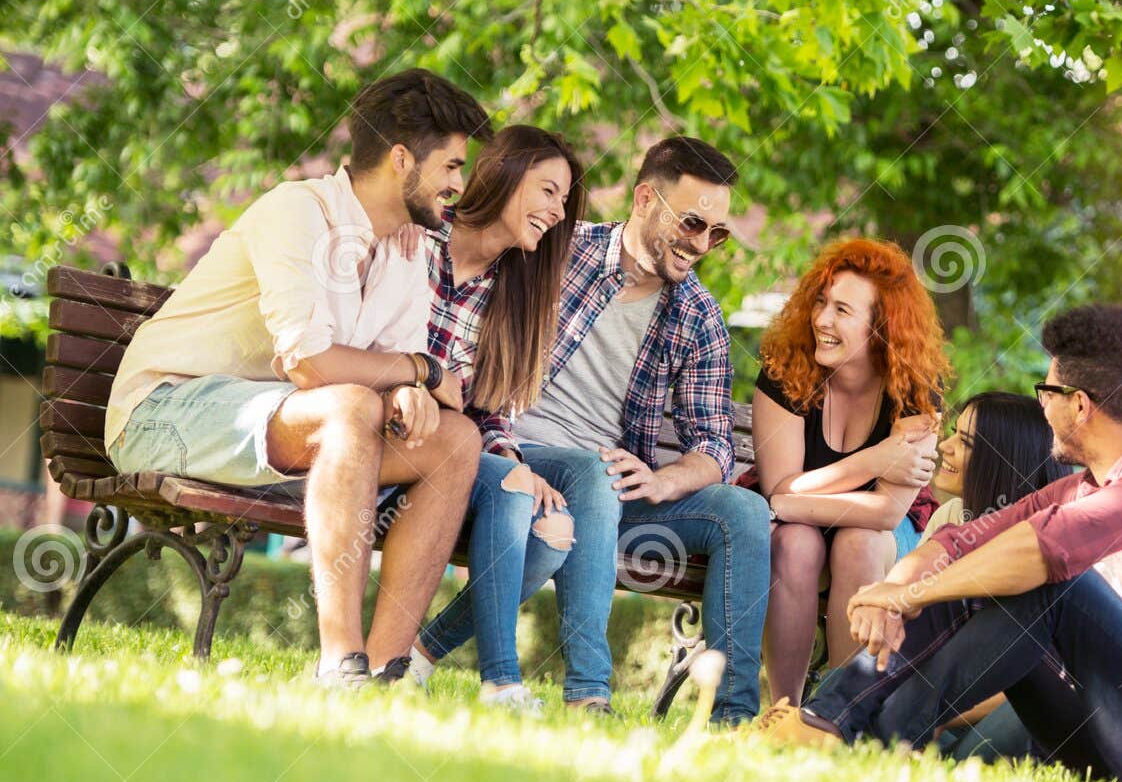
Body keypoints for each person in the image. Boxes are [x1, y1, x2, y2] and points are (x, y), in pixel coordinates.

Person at [749, 303, 1122, 782]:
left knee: (1051, 585)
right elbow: (967, 536)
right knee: (1005, 583)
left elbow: (1045, 549)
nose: (1042, 408)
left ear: (1080, 405)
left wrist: (911, 592)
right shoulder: (1091, 483)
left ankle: (841, 724)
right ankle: (845, 729)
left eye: (1047, 394)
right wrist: (899, 588)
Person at [106, 68, 491, 688]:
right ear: (401, 159)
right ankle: (340, 661)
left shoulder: (408, 250)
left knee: (455, 442)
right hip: (164, 412)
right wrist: (419, 372)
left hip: (285, 429)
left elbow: (390, 375)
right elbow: (310, 364)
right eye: (450, 166)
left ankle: (384, 670)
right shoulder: (296, 211)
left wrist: (410, 392)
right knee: (345, 408)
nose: (457, 184)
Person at [508, 136, 771, 723]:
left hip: (610, 492)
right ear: (646, 198)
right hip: (514, 460)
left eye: (717, 233)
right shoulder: (558, 251)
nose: (702, 244)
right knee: (593, 477)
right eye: (693, 222)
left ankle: (730, 718)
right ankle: (588, 695)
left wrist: (665, 479)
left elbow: (713, 446)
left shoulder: (698, 314)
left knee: (745, 513)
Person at [403, 126, 586, 712]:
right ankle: (502, 682)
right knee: (511, 492)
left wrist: (507, 457)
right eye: (549, 191)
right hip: (379, 432)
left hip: (453, 452)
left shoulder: (518, 292)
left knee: (555, 528)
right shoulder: (419, 240)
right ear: (505, 175)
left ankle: (420, 657)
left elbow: (493, 411)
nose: (558, 212)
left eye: (564, 202)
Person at [754, 238, 950, 706]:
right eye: (821, 302)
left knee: (858, 541)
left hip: (883, 537)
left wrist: (787, 501)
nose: (822, 319)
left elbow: (884, 513)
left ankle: (840, 716)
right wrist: (878, 460)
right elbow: (777, 491)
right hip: (797, 526)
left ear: (881, 326)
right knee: (794, 541)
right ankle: (785, 712)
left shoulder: (917, 391)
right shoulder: (787, 370)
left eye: (843, 310)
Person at [922, 391, 1070, 763]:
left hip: (1009, 710)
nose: (946, 446)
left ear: (1005, 461)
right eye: (954, 433)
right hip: (941, 702)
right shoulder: (951, 516)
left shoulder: (1051, 542)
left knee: (970, 757)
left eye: (965, 442)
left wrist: (932, 715)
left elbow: (1041, 683)